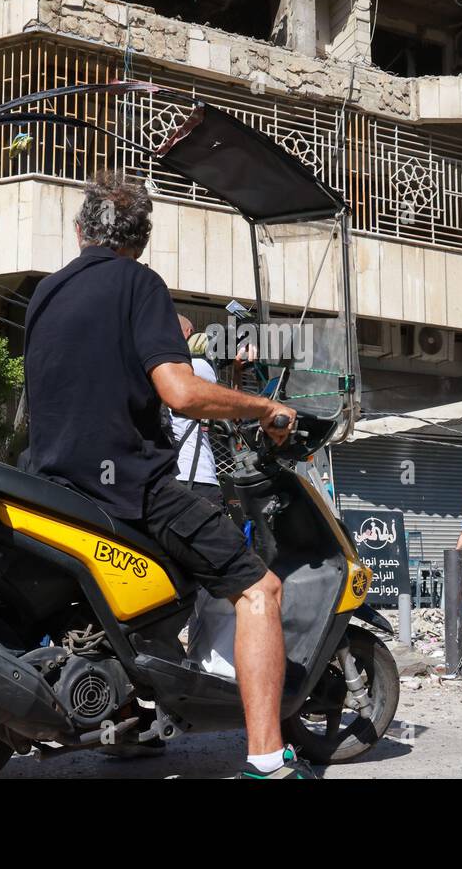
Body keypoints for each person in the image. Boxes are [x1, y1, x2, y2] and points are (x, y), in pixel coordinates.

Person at [24, 170, 313, 779]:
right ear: (142, 239)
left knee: (156, 597)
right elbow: (181, 394)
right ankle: (266, 760)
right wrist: (267, 408)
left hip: (54, 486)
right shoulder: (140, 283)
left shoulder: (47, 293)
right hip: (129, 487)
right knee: (260, 590)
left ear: (79, 231)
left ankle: (126, 723)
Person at [170, 314, 221, 503]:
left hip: (175, 477)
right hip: (194, 477)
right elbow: (227, 404)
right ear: (189, 333)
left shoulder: (163, 370)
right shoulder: (196, 366)